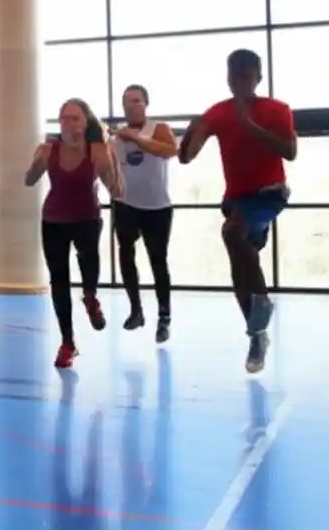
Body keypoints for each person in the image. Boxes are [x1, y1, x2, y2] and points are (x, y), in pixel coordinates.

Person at [179, 49, 295, 374]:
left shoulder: (276, 109)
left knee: (232, 233)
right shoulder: (217, 113)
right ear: (227, 79)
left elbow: (290, 151)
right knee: (240, 258)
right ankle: (256, 334)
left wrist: (250, 125)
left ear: (258, 78)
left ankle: (262, 303)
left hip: (270, 194)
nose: (240, 83)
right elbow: (186, 156)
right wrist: (191, 133)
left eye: (246, 76)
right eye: (234, 76)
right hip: (236, 199)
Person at [26, 98, 121, 369]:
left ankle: (90, 297)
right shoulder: (50, 149)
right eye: (63, 118)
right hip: (54, 220)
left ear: (85, 122)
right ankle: (68, 343)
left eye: (74, 118)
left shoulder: (96, 149)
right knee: (59, 281)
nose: (68, 123)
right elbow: (29, 180)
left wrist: (107, 163)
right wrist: (37, 162)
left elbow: (114, 188)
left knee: (89, 265)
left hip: (87, 218)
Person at [110, 84, 177, 343]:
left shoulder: (159, 129)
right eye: (126, 101)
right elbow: (109, 166)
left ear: (145, 103)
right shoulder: (116, 137)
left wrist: (135, 139)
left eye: (136, 100)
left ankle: (164, 316)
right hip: (126, 204)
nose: (130, 105)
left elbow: (170, 151)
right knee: (125, 254)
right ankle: (136, 309)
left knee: (157, 260)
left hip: (156, 207)